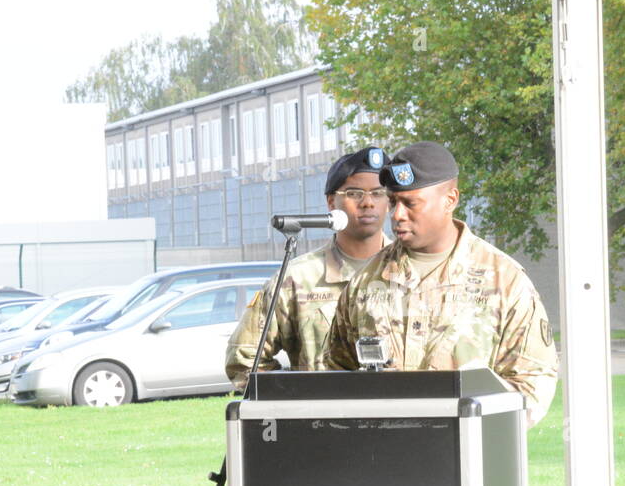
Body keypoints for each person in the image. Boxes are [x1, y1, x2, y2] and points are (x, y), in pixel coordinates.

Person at [322, 141, 558, 426]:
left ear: (450, 200)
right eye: (394, 201)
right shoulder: (366, 281)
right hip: (382, 459)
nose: (396, 214)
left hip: (468, 457)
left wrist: (475, 428)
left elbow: (532, 382)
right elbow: (337, 373)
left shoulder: (503, 280)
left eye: (411, 203)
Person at [225, 146, 391, 392]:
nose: (367, 203)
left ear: (390, 201)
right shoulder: (296, 278)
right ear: (331, 201)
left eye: (378, 193)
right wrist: (296, 404)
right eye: (354, 193)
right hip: (321, 424)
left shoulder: (412, 271)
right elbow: (243, 359)